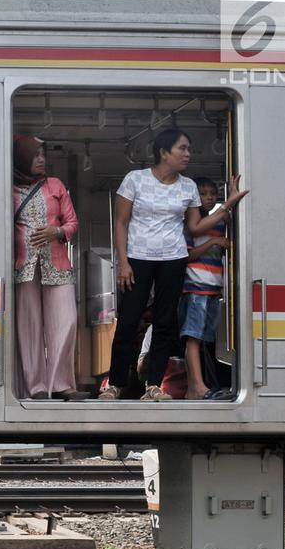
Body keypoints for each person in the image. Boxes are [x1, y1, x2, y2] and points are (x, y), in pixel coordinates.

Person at [99, 129, 248, 400]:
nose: (188, 154)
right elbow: (120, 223)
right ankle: (115, 384)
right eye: (182, 148)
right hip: (138, 259)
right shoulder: (136, 179)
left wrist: (227, 205)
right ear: (163, 153)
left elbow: (194, 227)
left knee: (165, 323)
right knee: (129, 322)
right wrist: (123, 263)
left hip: (173, 260)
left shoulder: (188, 186)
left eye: (189, 149)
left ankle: (153, 386)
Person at [11, 135, 88, 401]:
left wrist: (57, 231)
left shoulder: (55, 184)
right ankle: (36, 387)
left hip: (57, 265)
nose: (41, 159)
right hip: (23, 268)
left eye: (43, 154)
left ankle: (62, 384)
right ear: (21, 157)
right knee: (28, 328)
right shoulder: (6, 189)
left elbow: (73, 223)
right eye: (35, 155)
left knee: (66, 322)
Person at [181, 177, 231, 400]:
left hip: (215, 287)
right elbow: (187, 255)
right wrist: (212, 243)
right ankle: (200, 387)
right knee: (193, 337)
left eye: (212, 193)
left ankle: (195, 389)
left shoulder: (219, 222)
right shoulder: (188, 225)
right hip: (195, 287)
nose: (209, 197)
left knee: (206, 339)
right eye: (203, 193)